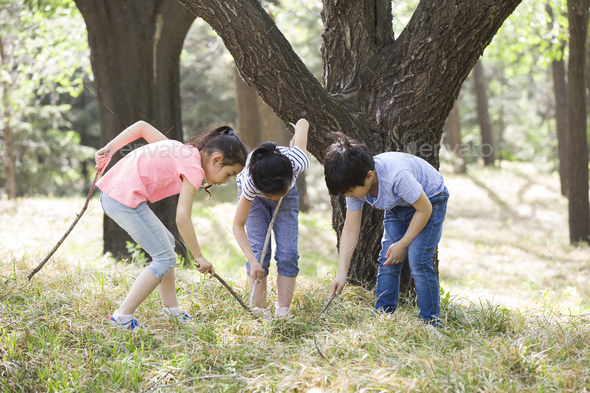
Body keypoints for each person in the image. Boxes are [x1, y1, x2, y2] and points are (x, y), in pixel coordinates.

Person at [94, 120, 248, 330]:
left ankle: (171, 309)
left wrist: (109, 149)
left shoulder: (181, 150)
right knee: (165, 258)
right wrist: (199, 256)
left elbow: (141, 127)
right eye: (229, 174)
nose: (225, 181)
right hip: (122, 200)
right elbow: (182, 217)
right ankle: (121, 317)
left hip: (118, 194)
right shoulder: (194, 170)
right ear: (217, 160)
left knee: (166, 244)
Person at [324, 132, 449, 326]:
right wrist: (342, 272)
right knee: (387, 259)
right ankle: (383, 317)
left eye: (350, 191)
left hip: (430, 200)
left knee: (418, 260)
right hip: (399, 204)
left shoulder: (396, 177)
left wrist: (404, 243)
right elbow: (350, 229)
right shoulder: (354, 185)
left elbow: (424, 209)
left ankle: (430, 322)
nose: (349, 196)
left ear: (369, 176)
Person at [232, 119, 310, 318]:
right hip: (256, 199)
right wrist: (252, 260)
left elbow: (303, 124)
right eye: (271, 196)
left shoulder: (297, 162)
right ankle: (260, 309)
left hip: (288, 195)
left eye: (276, 194)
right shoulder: (251, 184)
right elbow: (238, 225)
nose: (274, 200)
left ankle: (282, 310)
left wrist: (298, 127)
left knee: (288, 253)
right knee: (258, 254)